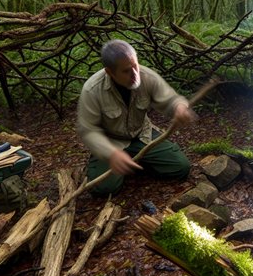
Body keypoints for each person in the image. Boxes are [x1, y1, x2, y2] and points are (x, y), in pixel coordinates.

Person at [77, 40, 196, 195]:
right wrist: (111, 153)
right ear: (110, 72)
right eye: (126, 71)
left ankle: (136, 161)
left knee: (180, 168)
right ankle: (121, 162)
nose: (135, 74)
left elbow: (169, 99)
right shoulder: (92, 90)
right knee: (104, 189)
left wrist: (179, 107)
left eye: (135, 66)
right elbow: (88, 130)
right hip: (111, 142)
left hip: (142, 135)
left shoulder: (146, 76)